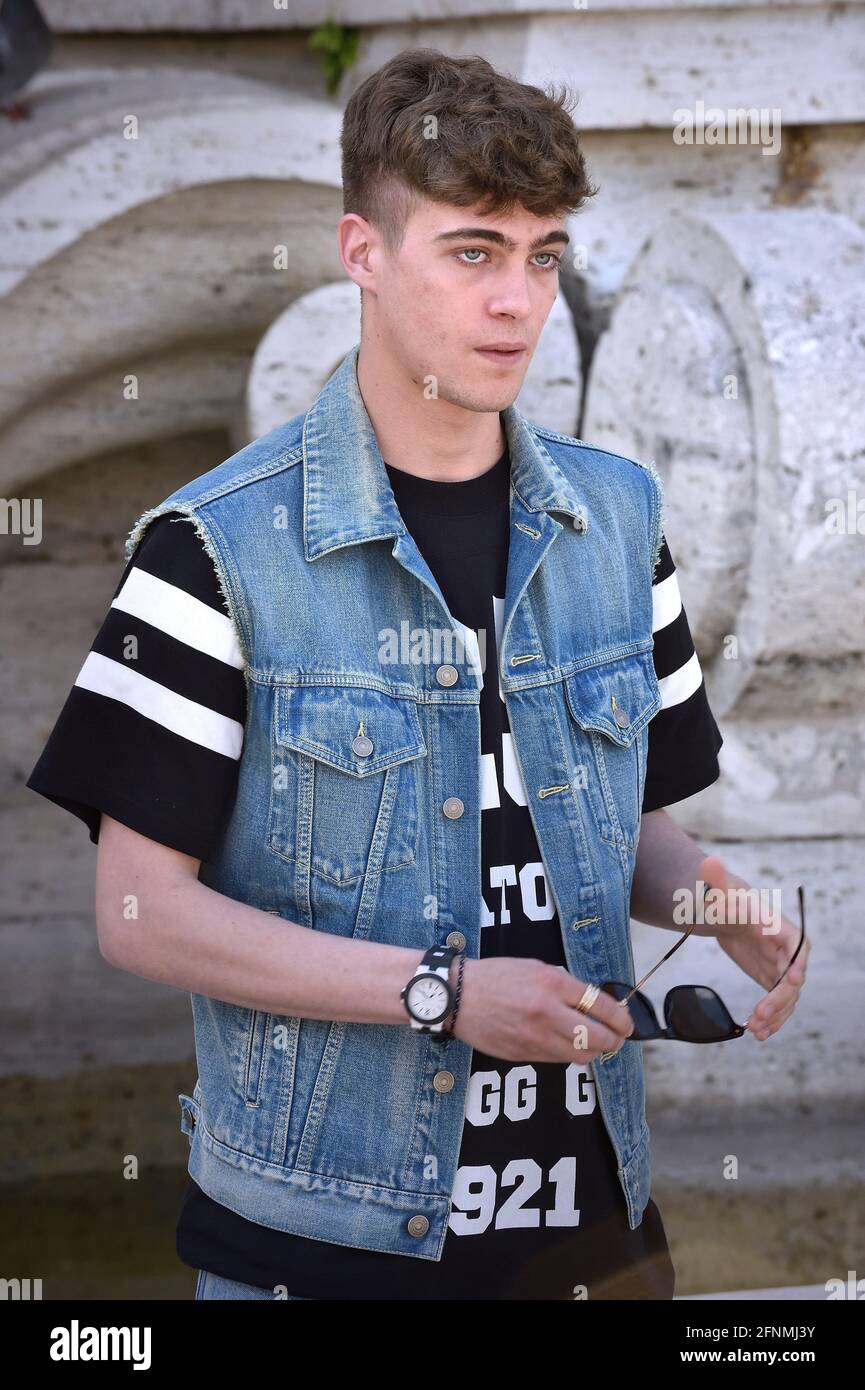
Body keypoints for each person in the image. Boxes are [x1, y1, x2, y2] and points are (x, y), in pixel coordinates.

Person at [26, 47, 808, 1301]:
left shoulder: (615, 521)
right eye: (471, 250)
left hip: (595, 1234)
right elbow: (139, 914)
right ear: (362, 252)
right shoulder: (214, 548)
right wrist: (439, 996)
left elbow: (624, 827)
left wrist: (723, 906)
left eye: (542, 254)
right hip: (325, 1255)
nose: (517, 301)